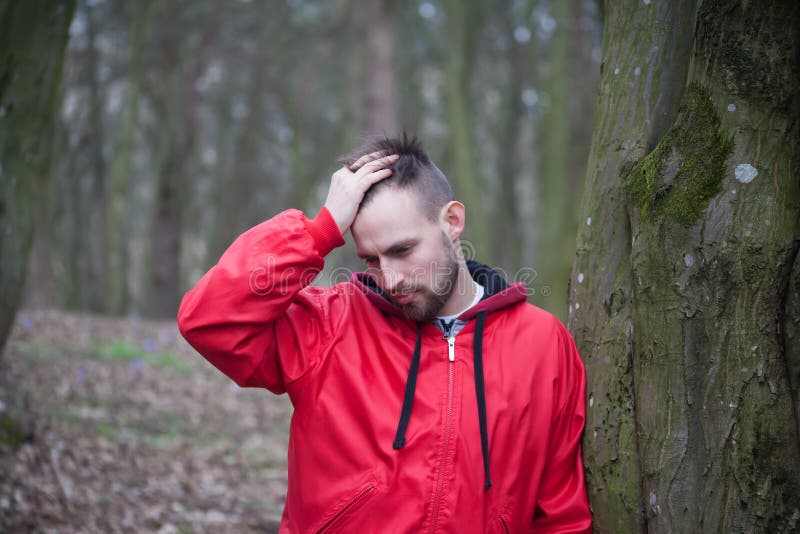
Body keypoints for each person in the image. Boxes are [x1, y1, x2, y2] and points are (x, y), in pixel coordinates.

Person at [178, 134, 592, 533]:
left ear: (452, 221)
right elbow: (210, 319)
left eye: (402, 250)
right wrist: (320, 231)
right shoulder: (329, 324)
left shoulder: (544, 345)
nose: (390, 279)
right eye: (371, 259)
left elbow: (560, 516)